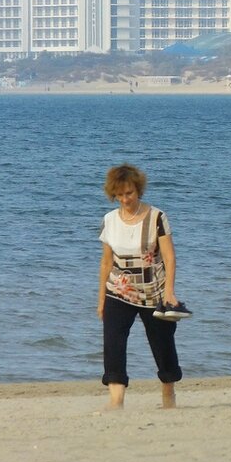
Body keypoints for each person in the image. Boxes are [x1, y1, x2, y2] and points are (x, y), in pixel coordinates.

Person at [96, 164, 189, 410]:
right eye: (120, 194)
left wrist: (169, 291)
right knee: (113, 342)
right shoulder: (109, 220)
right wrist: (101, 299)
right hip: (118, 290)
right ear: (113, 194)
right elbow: (106, 261)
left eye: (130, 193)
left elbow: (169, 257)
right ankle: (116, 399)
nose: (125, 199)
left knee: (162, 343)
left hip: (154, 291)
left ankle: (168, 393)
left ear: (138, 190)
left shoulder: (157, 217)